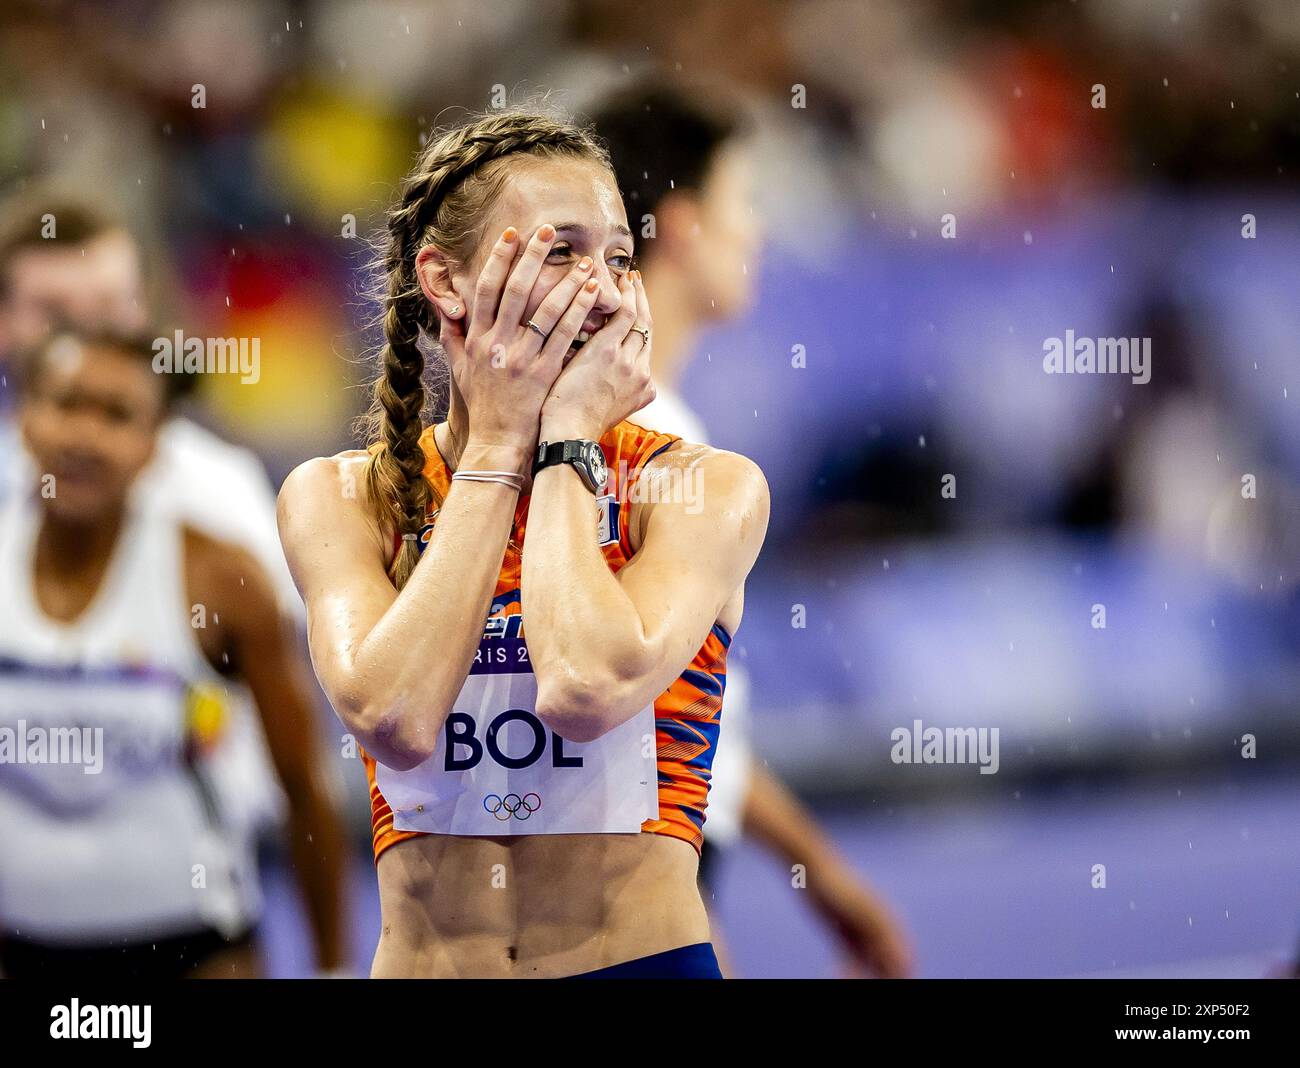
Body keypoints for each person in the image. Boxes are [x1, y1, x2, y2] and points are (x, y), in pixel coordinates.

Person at [277, 106, 770, 979]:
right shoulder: (345, 497)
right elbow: (394, 716)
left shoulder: (703, 488)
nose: (606, 288)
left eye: (619, 256)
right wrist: (500, 448)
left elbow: (585, 684)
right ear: (446, 281)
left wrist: (568, 434)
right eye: (561, 251)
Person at [592, 79, 912, 978]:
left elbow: (697, 710)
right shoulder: (642, 448)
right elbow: (608, 719)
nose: (758, 232)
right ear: (685, 224)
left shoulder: (671, 434)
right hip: (649, 882)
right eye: (746, 203)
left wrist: (820, 871)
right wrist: (677, 921)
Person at [0, 328, 345, 978]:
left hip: (197, 952)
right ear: (23, 418)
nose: (84, 436)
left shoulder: (220, 580)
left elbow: (305, 789)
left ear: (154, 447)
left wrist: (332, 970)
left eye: (116, 415)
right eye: (66, 404)